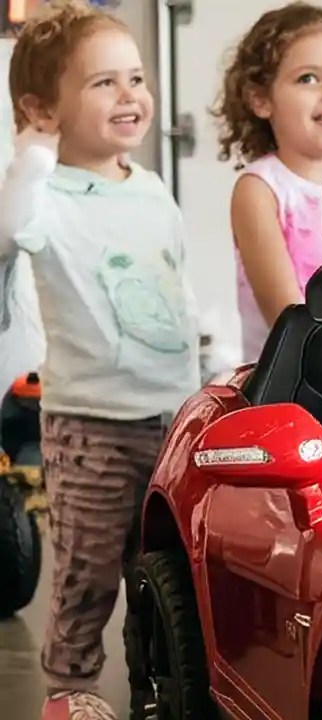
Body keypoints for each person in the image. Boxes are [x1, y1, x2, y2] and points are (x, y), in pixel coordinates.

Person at [0, 1, 200, 718]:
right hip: (91, 423)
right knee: (87, 569)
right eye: (103, 83)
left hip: (173, 413)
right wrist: (32, 149)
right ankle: (72, 685)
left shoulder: (149, 187)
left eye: (136, 78)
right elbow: (9, 227)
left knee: (160, 564)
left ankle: (152, 683)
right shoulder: (45, 194)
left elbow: (176, 282)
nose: (130, 96)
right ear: (41, 108)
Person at [211, 1, 322, 363]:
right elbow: (288, 320)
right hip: (293, 387)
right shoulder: (261, 189)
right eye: (309, 78)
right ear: (260, 99)